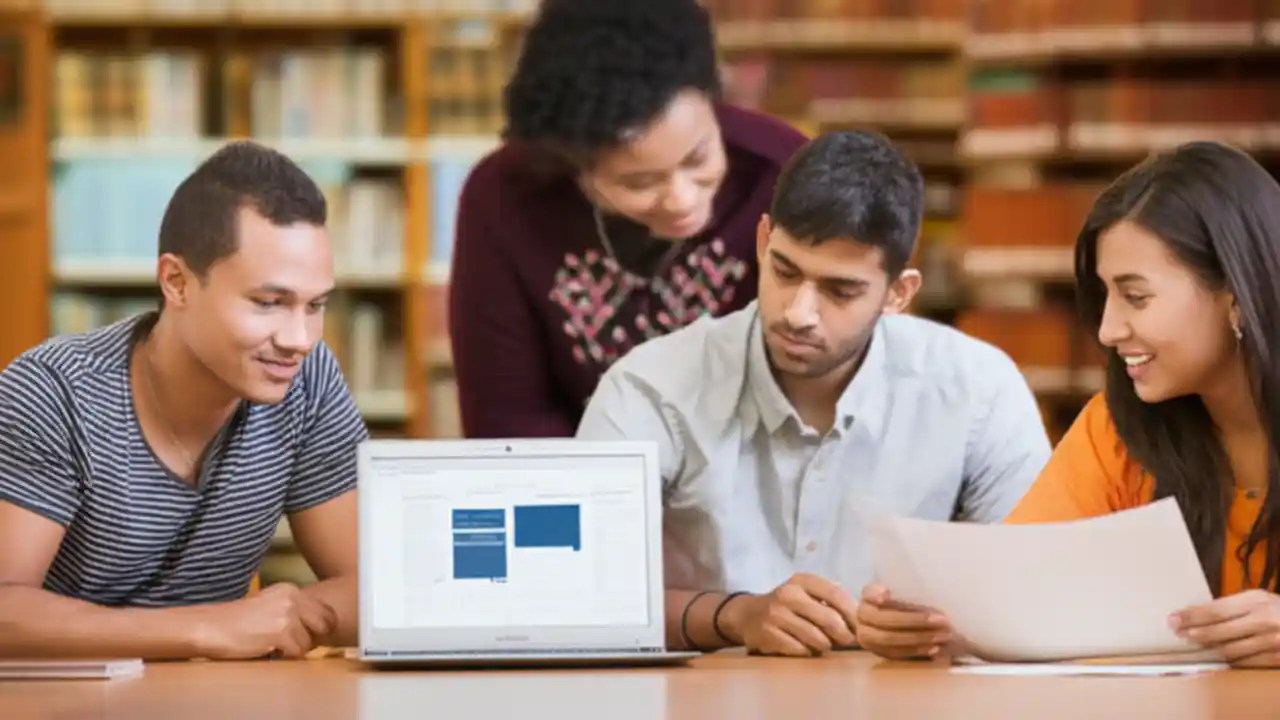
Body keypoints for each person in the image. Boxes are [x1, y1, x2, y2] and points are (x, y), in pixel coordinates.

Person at [577, 130, 1051, 657]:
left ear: (899, 293)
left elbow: (1031, 597)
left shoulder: (979, 391)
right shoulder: (649, 387)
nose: (798, 313)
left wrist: (934, 628)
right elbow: (579, 598)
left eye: (840, 290)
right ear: (762, 241)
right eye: (784, 270)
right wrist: (734, 615)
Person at [856, 141, 1280, 669]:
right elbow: (1012, 599)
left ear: (1234, 294)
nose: (1107, 329)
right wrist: (927, 627)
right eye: (1104, 296)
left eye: (1137, 297)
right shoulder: (1115, 431)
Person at [0, 141, 366, 660]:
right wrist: (203, 630)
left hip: (211, 699)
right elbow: (5, 612)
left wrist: (299, 615)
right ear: (176, 282)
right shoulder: (52, 392)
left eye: (316, 305)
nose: (299, 338)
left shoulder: (309, 382)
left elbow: (378, 587)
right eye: (269, 303)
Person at [449, 0, 808, 438]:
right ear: (574, 166)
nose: (681, 199)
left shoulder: (782, 171)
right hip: (577, 482)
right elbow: (508, 419)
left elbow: (821, 381)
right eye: (640, 183)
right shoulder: (503, 200)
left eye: (698, 158)